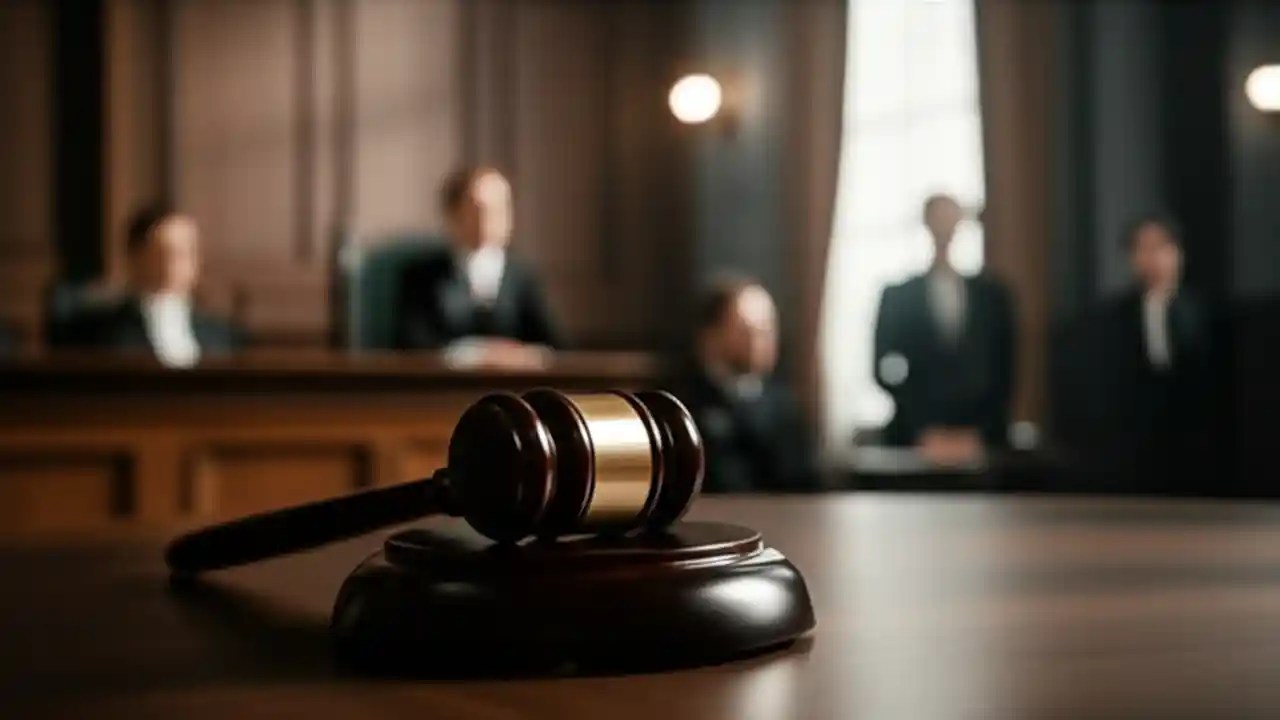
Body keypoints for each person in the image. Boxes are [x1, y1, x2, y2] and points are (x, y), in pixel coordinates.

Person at [873, 194, 1015, 463]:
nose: (943, 227)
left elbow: (1006, 371)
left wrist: (977, 433)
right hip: (914, 435)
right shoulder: (897, 296)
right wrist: (922, 427)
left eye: (949, 218)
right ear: (925, 223)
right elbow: (881, 368)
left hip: (982, 436)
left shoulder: (993, 296)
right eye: (937, 218)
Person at [1095, 215, 1214, 493]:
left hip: (1196, 436)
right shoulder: (1114, 317)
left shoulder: (1205, 312)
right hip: (1137, 441)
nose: (1153, 258)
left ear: (1178, 253)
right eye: (1143, 249)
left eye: (1161, 247)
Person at [395, 167, 560, 364]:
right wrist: (478, 355)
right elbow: (413, 346)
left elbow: (554, 345)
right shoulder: (421, 276)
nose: (489, 219)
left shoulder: (523, 276)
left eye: (499, 208)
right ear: (452, 214)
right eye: (477, 209)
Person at [682, 276, 820, 493]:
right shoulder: (683, 403)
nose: (760, 342)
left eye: (767, 330)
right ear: (711, 335)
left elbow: (805, 481)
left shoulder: (783, 405)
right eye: (746, 331)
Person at [60, 205, 243, 367]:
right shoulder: (99, 333)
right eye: (163, 253)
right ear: (135, 257)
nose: (174, 264)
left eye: (185, 252)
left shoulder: (223, 334)